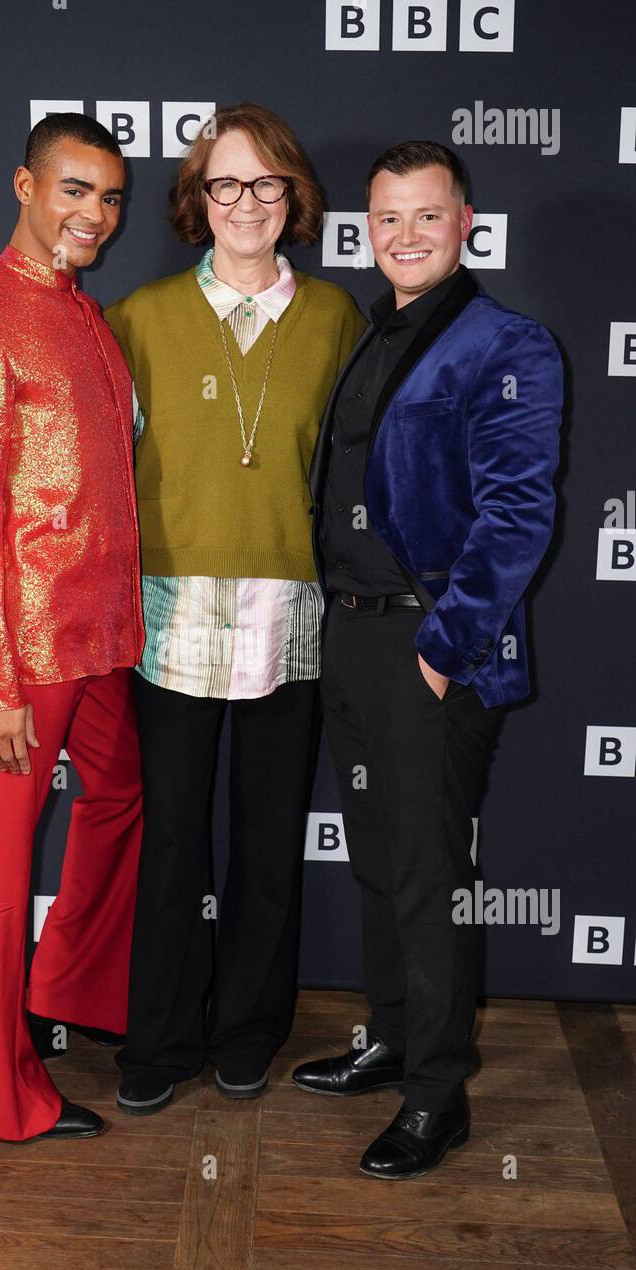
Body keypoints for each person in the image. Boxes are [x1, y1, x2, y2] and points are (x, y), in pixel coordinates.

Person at [294, 140, 563, 1179]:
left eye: (426, 216)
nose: (404, 236)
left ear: (465, 224)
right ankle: (394, 1035)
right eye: (386, 219)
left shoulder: (509, 345)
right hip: (352, 635)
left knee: (428, 876)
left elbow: (516, 515)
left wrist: (443, 652)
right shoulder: (376, 333)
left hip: (427, 645)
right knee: (377, 861)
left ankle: (437, 1092)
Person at [104, 102, 365, 1116]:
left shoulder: (340, 318)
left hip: (290, 609)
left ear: (293, 197)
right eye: (225, 184)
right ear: (197, 200)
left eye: (266, 184)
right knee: (171, 836)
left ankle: (249, 1027)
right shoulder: (142, 317)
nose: (245, 202)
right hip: (168, 608)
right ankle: (160, 1036)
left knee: (267, 839)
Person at [0, 113, 145, 1142]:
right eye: (73, 190)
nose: (91, 215)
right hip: (24, 646)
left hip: (105, 634)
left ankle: (67, 991)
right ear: (24, 185)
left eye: (107, 198)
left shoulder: (84, 314)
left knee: (123, 802)